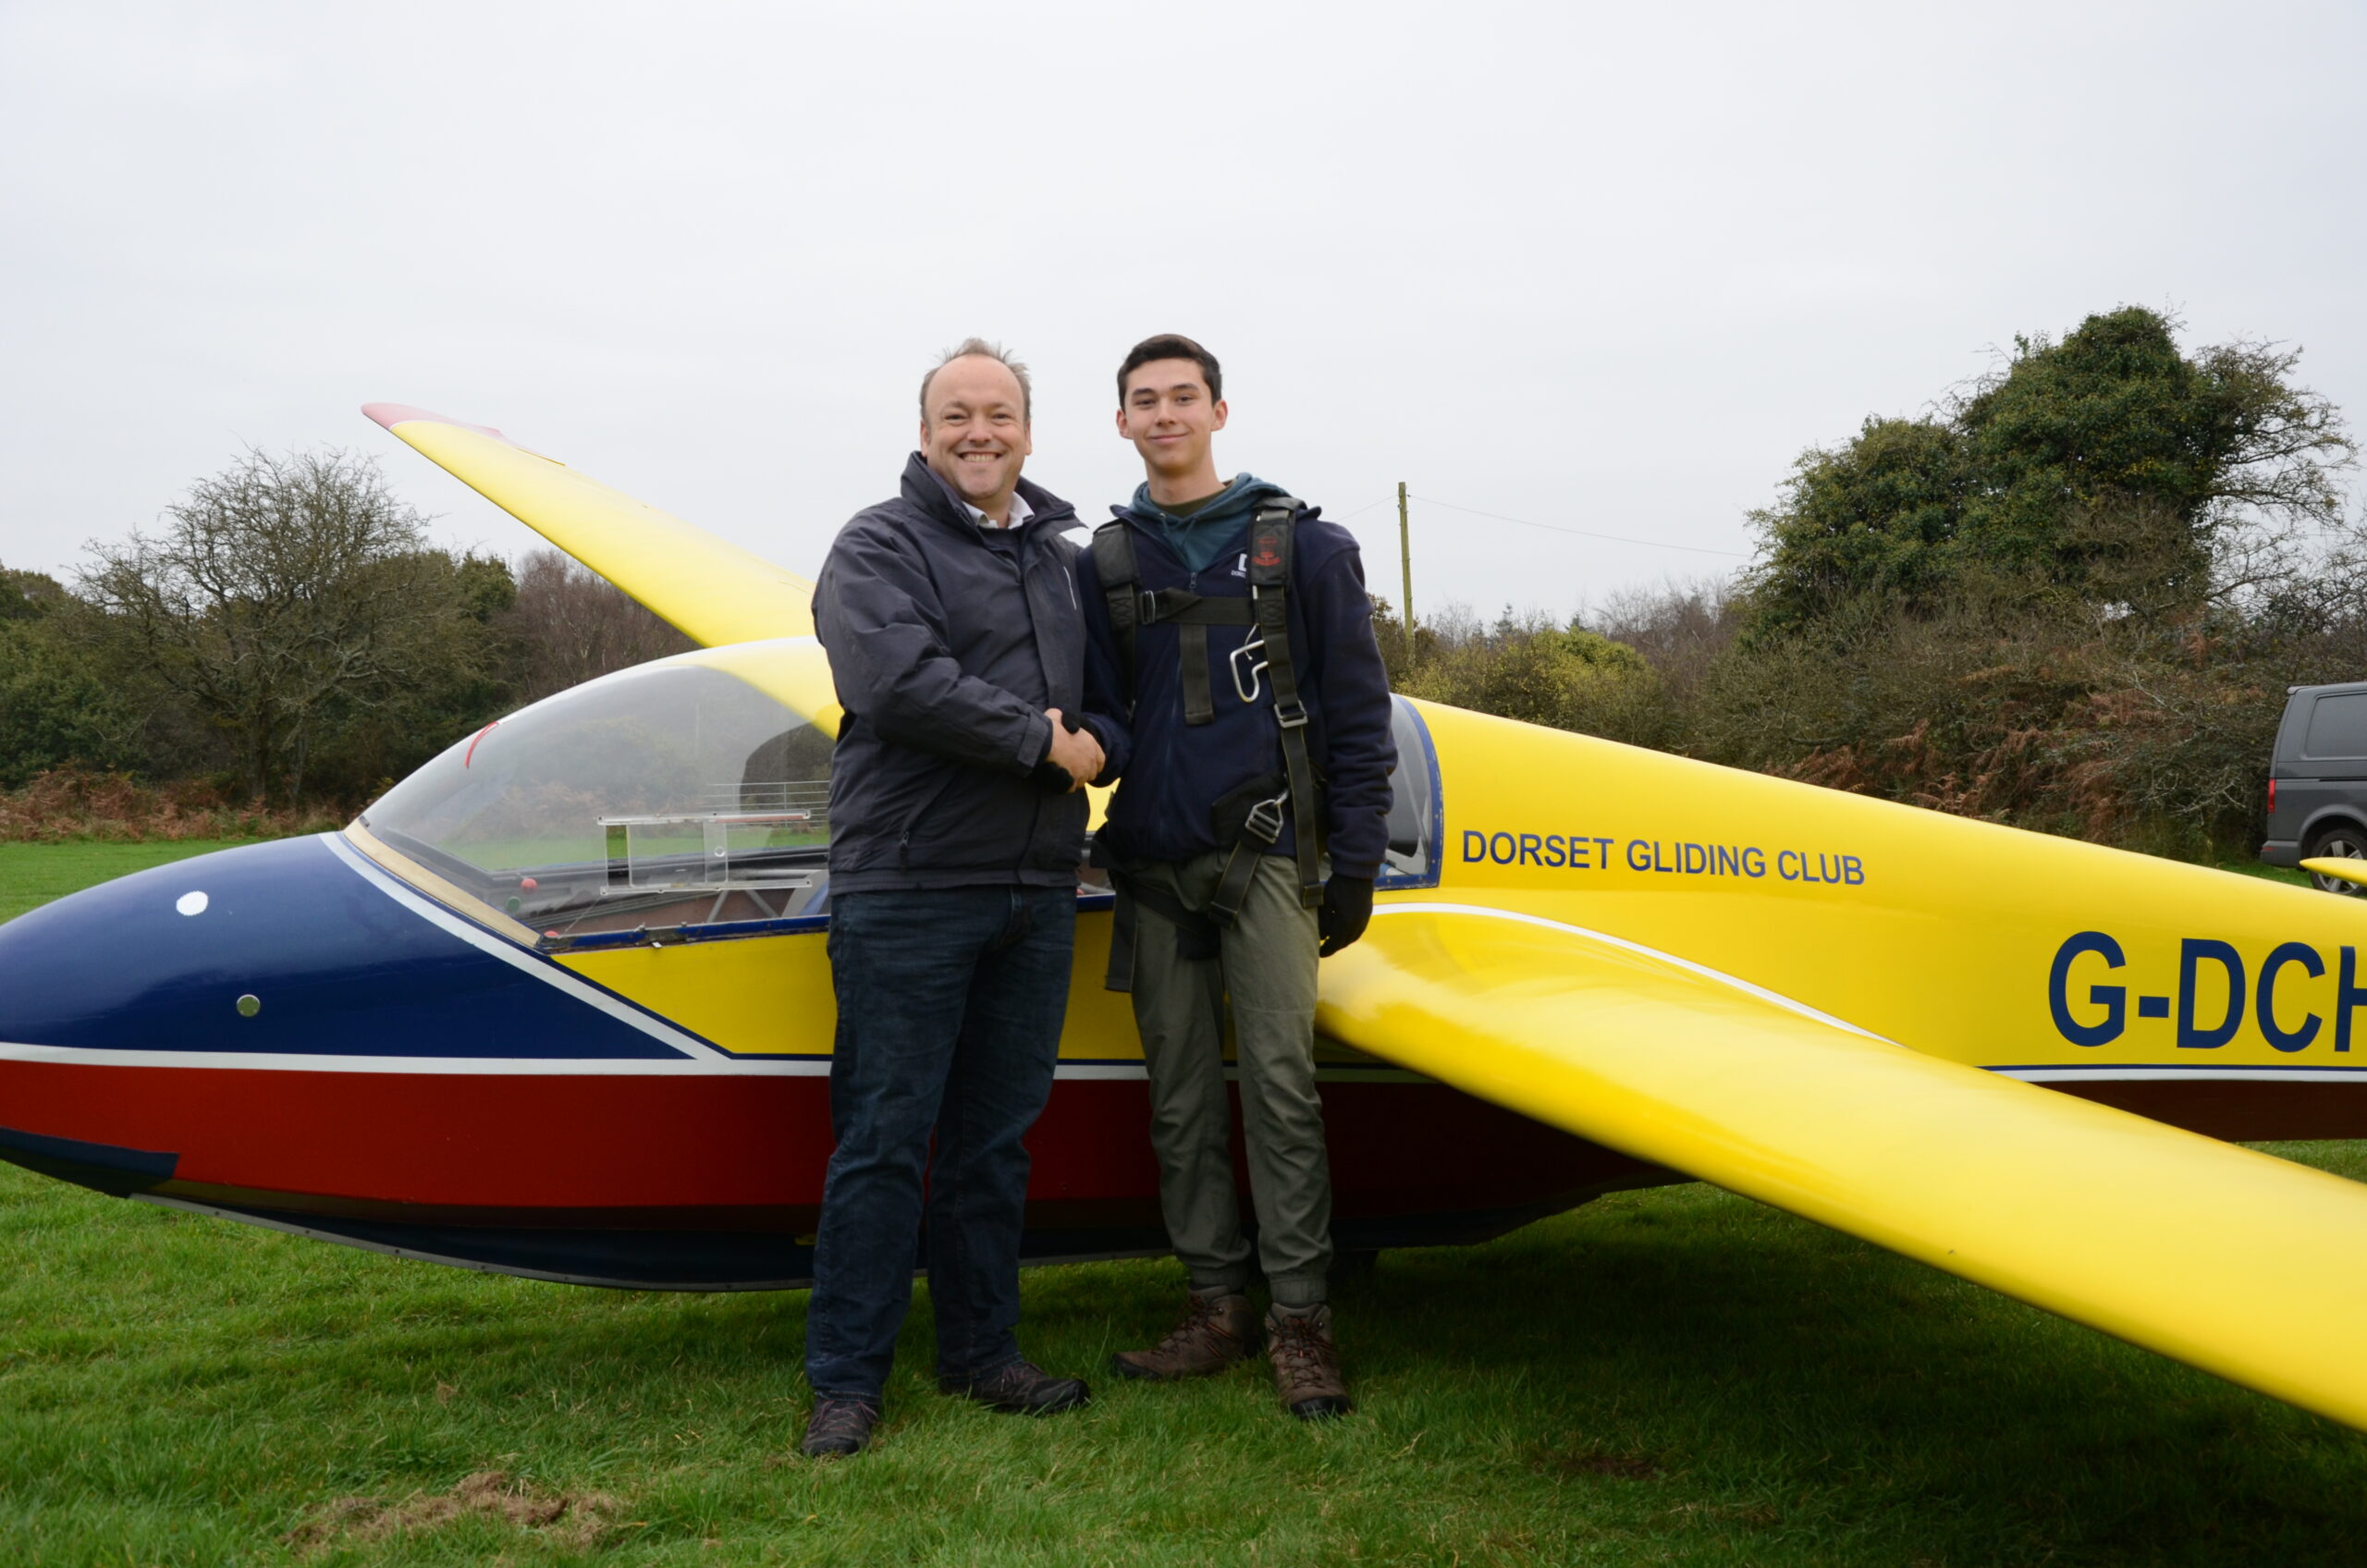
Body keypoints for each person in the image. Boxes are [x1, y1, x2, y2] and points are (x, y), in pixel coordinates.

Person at [800, 339, 1117, 1458]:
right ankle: (846, 1379)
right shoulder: (876, 543)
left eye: (998, 414)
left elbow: (1108, 703)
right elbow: (894, 682)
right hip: (910, 884)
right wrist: (1042, 740)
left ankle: (983, 1352)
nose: (977, 432)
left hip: (1036, 887)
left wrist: (1102, 738)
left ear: (1029, 430)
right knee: (884, 1139)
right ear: (925, 430)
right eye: (955, 415)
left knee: (994, 1142)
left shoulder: (1064, 559)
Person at [1079, 334, 1395, 1419]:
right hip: (1155, 863)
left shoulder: (1305, 547)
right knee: (1176, 1101)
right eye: (1143, 402)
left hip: (1267, 856)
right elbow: (1106, 716)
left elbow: (1358, 717)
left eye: (1182, 397)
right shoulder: (1108, 563)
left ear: (1219, 410)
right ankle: (1214, 1306)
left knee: (1277, 1087)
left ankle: (1300, 1320)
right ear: (1120, 423)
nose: (1164, 415)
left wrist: (1350, 864)